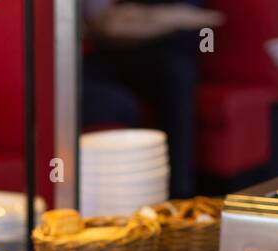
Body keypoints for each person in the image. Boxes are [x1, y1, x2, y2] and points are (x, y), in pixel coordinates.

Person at [82, 1, 225, 197]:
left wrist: (150, 18)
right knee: (119, 103)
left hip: (162, 55)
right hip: (105, 53)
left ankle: (178, 194)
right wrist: (176, 16)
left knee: (177, 71)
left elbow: (209, 19)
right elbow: (108, 24)